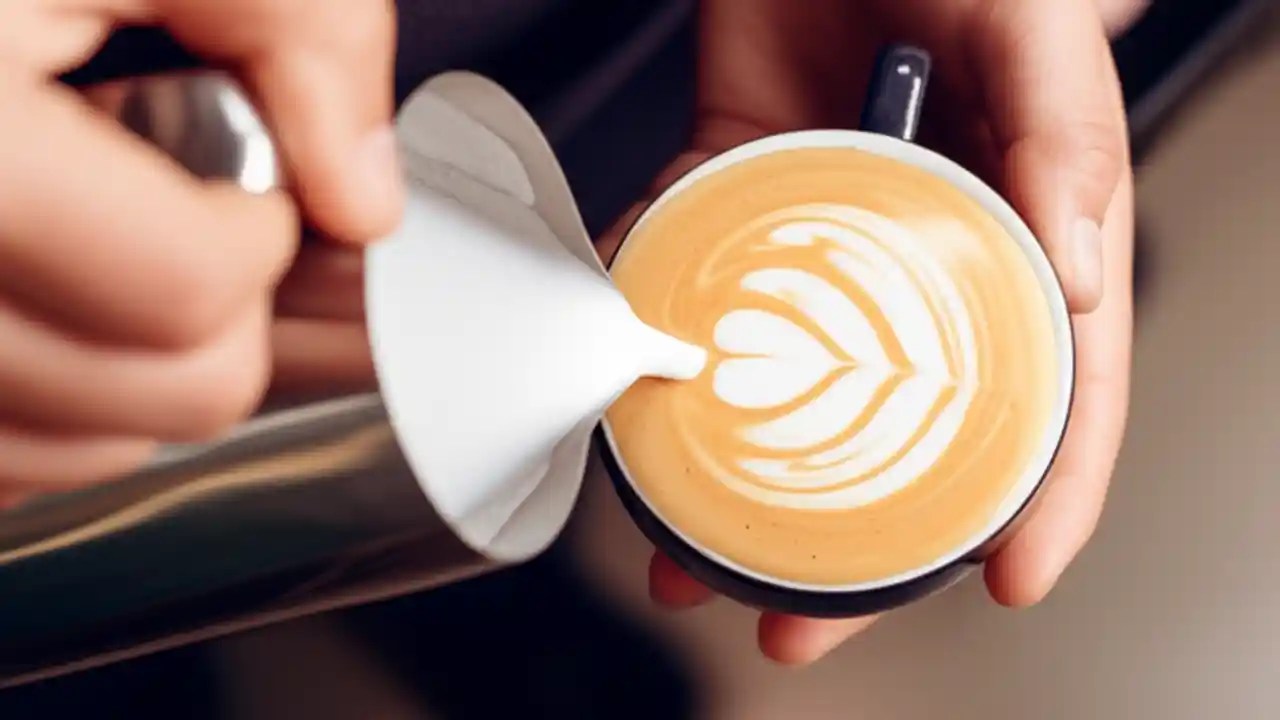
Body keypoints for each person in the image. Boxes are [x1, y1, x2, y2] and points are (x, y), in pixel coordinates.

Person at [0, 0, 1136, 667]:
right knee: (125, 496)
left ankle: (464, 611)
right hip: (137, 78)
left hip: (665, 88)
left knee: (470, 428)